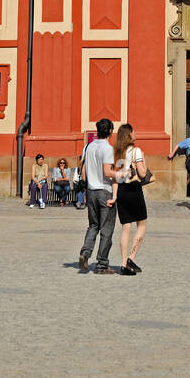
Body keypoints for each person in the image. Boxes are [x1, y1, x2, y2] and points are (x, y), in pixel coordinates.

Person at [106, 122, 148, 276]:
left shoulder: (117, 154)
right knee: (142, 224)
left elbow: (115, 178)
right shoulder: (136, 151)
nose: (135, 133)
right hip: (134, 191)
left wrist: (114, 197)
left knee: (126, 228)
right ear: (129, 135)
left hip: (122, 191)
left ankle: (123, 264)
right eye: (133, 131)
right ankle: (131, 257)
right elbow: (142, 174)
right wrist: (143, 159)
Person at [78, 118, 117, 274]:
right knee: (106, 230)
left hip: (91, 191)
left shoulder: (88, 147)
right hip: (104, 190)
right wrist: (122, 174)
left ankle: (85, 253)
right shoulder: (107, 149)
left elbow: (83, 174)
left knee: (93, 225)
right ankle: (102, 264)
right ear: (110, 131)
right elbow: (107, 172)